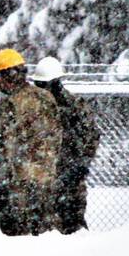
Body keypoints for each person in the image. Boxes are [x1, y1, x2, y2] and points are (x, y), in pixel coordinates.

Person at [0, 47, 60, 236]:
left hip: (18, 188)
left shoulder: (7, 106)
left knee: (18, 246)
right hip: (46, 182)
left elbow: (2, 148)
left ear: (8, 75)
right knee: (46, 239)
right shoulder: (46, 98)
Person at [32, 56, 99, 234]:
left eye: (44, 84)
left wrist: (80, 165)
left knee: (72, 224)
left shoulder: (75, 106)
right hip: (43, 179)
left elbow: (91, 136)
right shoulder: (33, 107)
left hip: (69, 178)